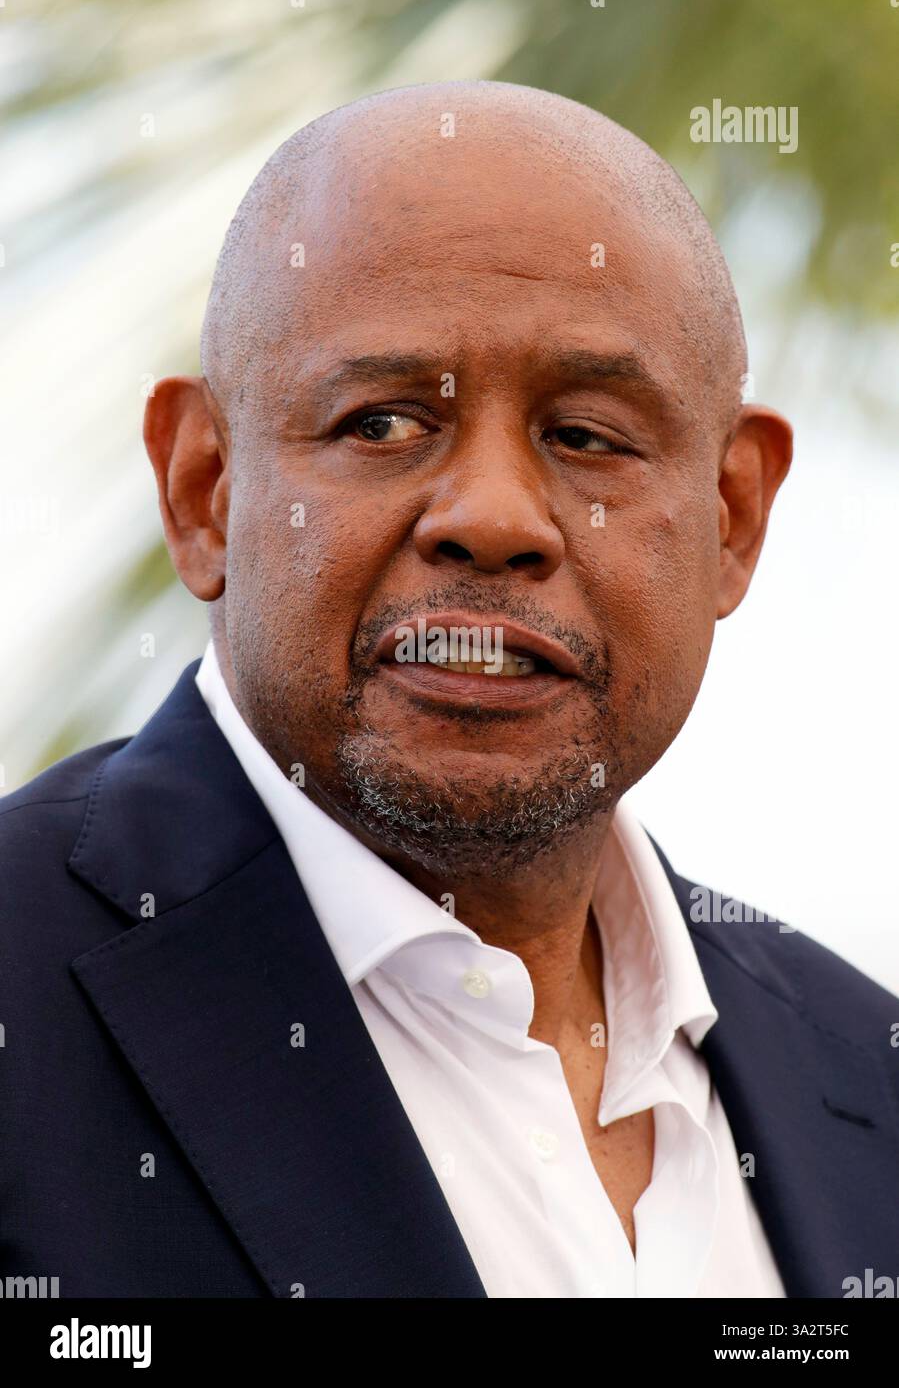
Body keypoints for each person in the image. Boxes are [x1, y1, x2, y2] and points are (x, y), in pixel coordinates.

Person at [2, 80, 895, 1299]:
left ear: (732, 517)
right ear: (204, 487)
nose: (491, 517)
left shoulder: (867, 1083)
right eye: (380, 422)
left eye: (585, 436)